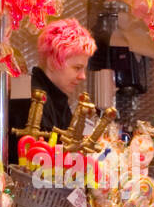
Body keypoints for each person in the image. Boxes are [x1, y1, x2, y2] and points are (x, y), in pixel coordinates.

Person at [7, 18, 95, 156]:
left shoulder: (56, 95)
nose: (82, 76)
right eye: (77, 68)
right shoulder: (26, 91)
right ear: (53, 62)